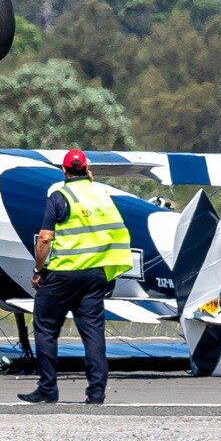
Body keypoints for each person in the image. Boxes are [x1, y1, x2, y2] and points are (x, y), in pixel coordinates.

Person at [19, 148, 134, 405]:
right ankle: (96, 394)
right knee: (93, 334)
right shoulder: (102, 194)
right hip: (94, 276)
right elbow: (116, 232)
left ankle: (48, 389)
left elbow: (45, 238)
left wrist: (38, 271)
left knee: (46, 328)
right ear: (87, 170)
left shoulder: (59, 195)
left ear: (64, 170)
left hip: (63, 274)